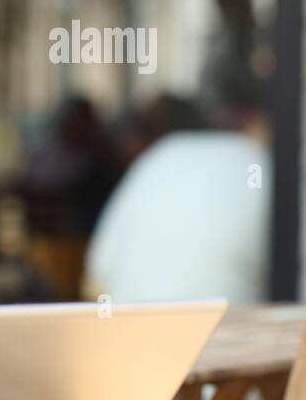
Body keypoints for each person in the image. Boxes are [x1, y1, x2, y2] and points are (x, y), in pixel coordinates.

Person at [85, 106, 271, 304]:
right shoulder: (263, 164)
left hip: (131, 329)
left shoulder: (161, 154)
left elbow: (94, 282)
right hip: (235, 327)